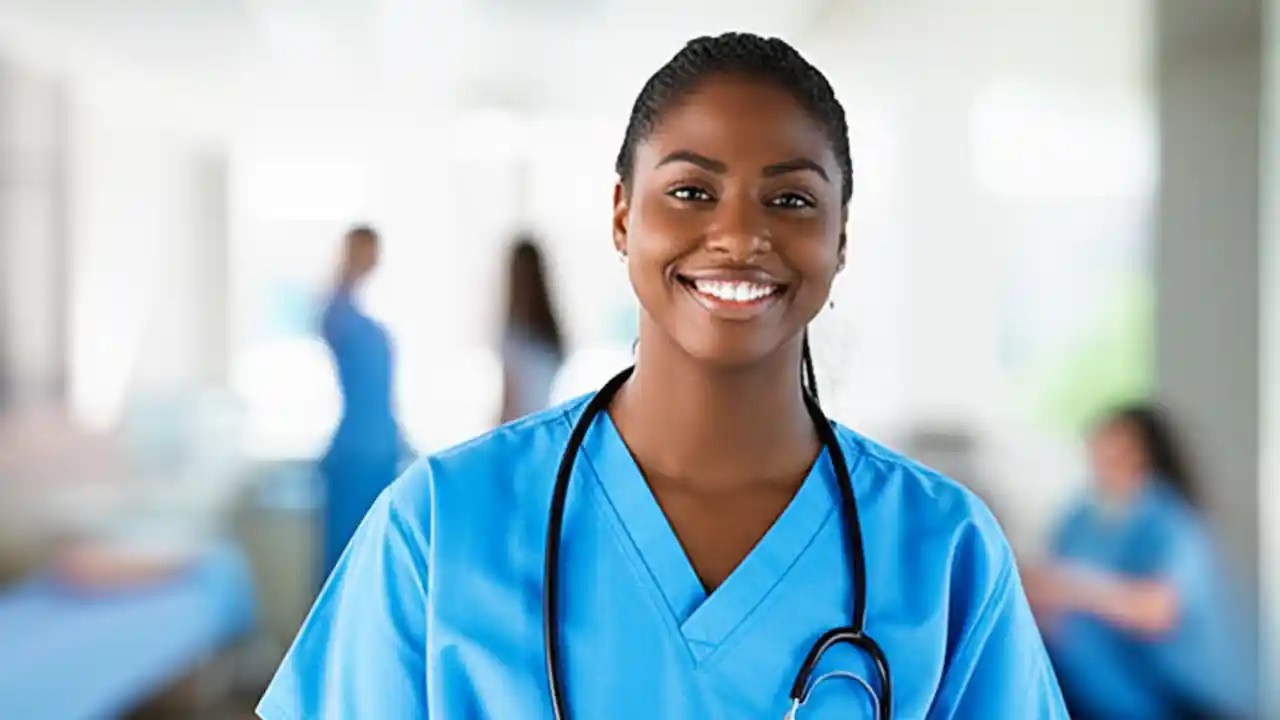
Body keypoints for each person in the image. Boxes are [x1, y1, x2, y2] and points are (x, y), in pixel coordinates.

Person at [258, 34, 1067, 719]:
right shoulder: (438, 528)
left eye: (790, 200)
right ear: (621, 216)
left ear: (842, 237)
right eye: (690, 191)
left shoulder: (946, 553)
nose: (740, 234)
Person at [1026, 404, 1255, 719]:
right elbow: (1044, 587)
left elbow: (1157, 610)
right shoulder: (1078, 516)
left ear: (1142, 451)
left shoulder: (1168, 520)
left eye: (1115, 442)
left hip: (1177, 694)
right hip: (1102, 692)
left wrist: (1072, 590)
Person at [316, 225, 404, 581]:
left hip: (383, 450)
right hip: (354, 454)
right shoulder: (341, 315)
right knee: (344, 564)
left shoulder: (364, 320)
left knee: (378, 565)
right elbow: (326, 317)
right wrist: (345, 267)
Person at [499, 236, 565, 423]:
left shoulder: (516, 337)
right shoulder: (550, 334)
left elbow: (509, 405)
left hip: (525, 430)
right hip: (549, 427)